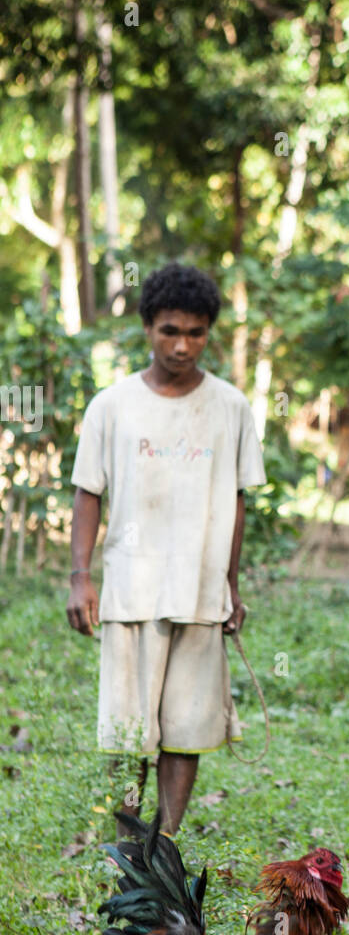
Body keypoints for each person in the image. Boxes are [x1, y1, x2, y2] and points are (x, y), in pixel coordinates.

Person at [66, 262, 266, 833]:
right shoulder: (113, 405)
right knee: (132, 733)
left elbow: (237, 500)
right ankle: (130, 843)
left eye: (196, 332)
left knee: (187, 729)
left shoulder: (231, 408)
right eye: (170, 330)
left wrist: (230, 586)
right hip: (132, 592)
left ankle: (166, 843)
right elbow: (88, 494)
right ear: (148, 327)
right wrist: (81, 577)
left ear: (210, 333)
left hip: (201, 594)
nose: (183, 345)